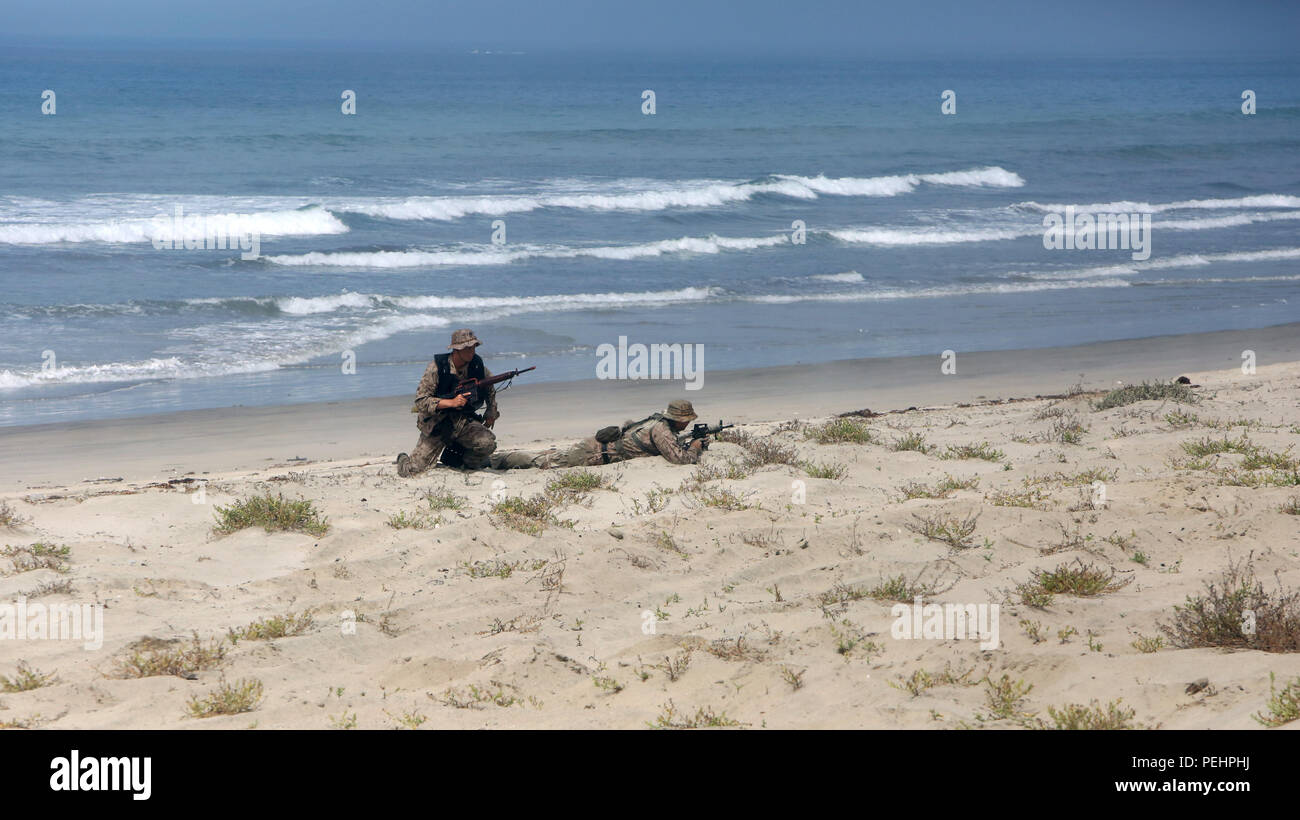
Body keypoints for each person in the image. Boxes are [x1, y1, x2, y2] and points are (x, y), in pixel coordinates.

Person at [396, 329, 500, 476]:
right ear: (456, 350)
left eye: (474, 347)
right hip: (437, 424)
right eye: (467, 348)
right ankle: (402, 459)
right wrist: (450, 403)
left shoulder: (477, 365)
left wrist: (491, 411)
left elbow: (489, 386)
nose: (472, 351)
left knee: (487, 444)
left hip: (463, 422)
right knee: (412, 471)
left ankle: (457, 460)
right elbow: (420, 401)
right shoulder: (437, 368)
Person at [489, 399, 705, 469]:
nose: (687, 425)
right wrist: (695, 447)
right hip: (592, 454)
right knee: (544, 462)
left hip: (596, 447)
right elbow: (680, 459)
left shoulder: (657, 421)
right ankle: (493, 460)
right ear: (680, 420)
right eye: (687, 421)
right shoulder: (661, 430)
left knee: (551, 455)